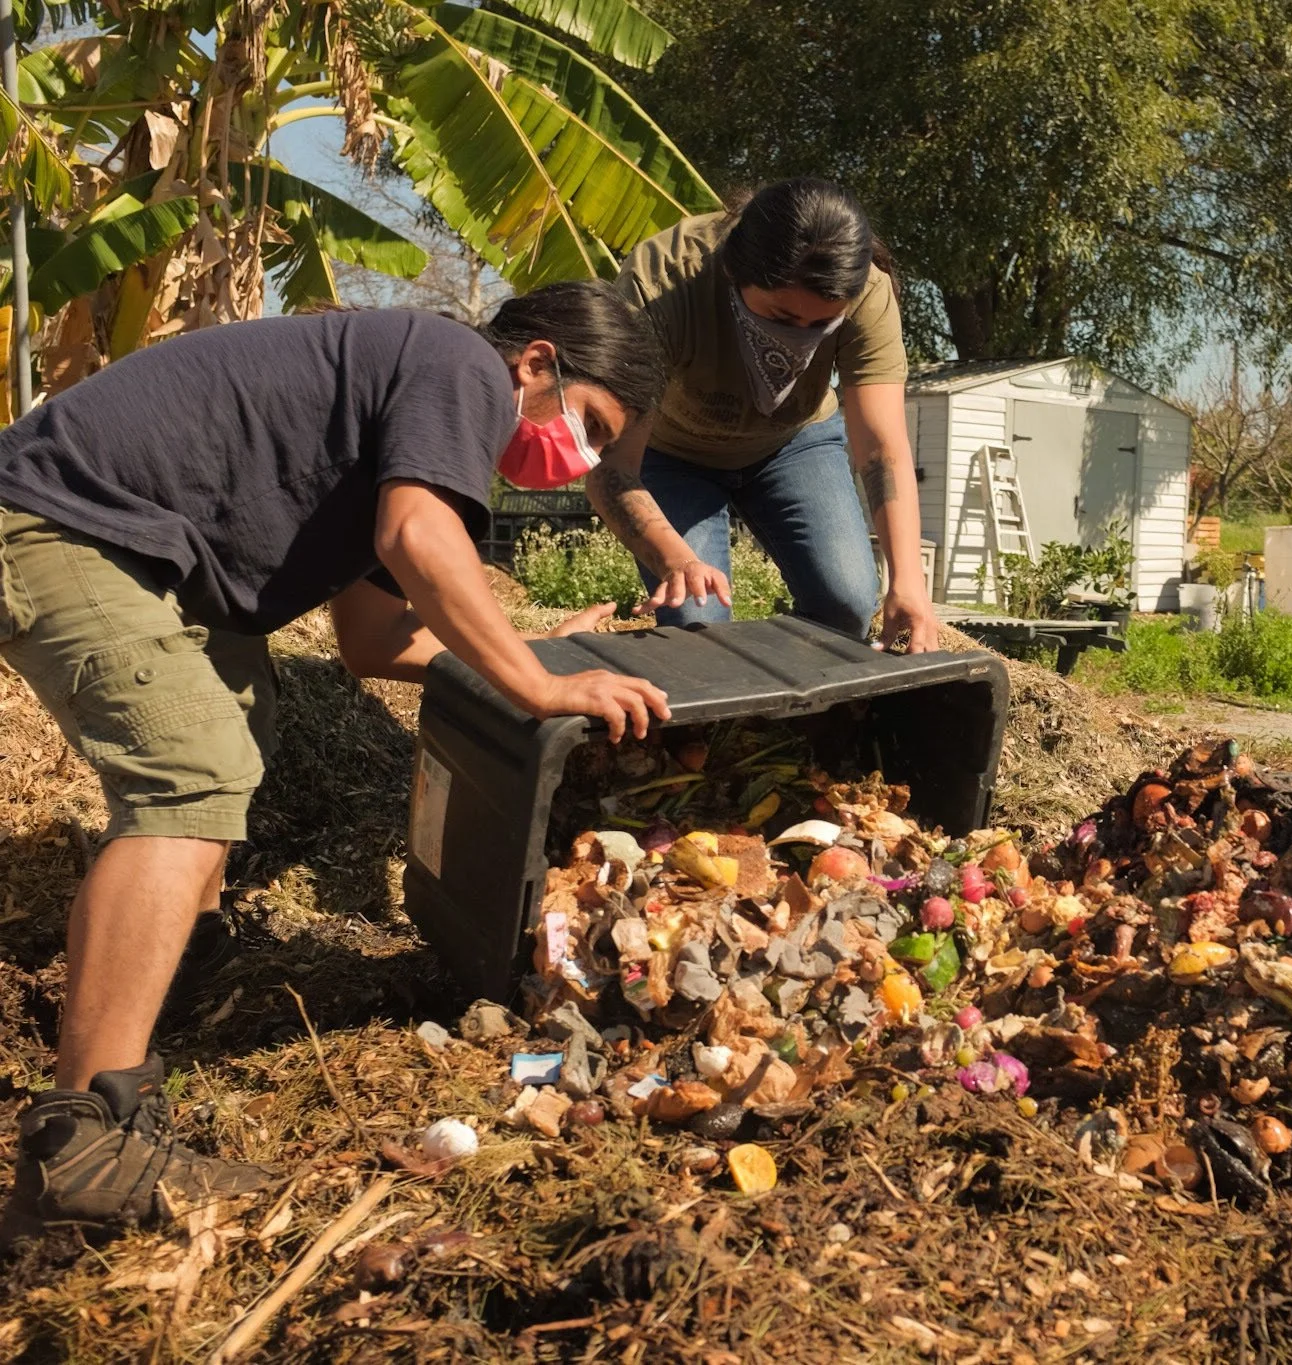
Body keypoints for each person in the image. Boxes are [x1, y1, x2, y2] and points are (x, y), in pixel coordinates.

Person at [0, 283, 672, 1249]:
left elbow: (374, 639)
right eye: (594, 426)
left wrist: (533, 652)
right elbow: (418, 538)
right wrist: (535, 682)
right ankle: (82, 1147)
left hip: (138, 546)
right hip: (64, 522)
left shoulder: (406, 415)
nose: (587, 458)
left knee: (237, 712)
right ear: (537, 363)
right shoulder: (458, 367)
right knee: (191, 769)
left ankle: (173, 964)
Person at [596, 177, 941, 651]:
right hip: (671, 455)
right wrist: (678, 561)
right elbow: (612, 466)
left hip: (794, 444)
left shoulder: (866, 291)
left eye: (822, 324)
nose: (800, 336)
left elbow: (881, 447)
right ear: (735, 274)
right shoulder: (662, 282)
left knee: (848, 605)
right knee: (699, 625)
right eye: (780, 318)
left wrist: (909, 581)